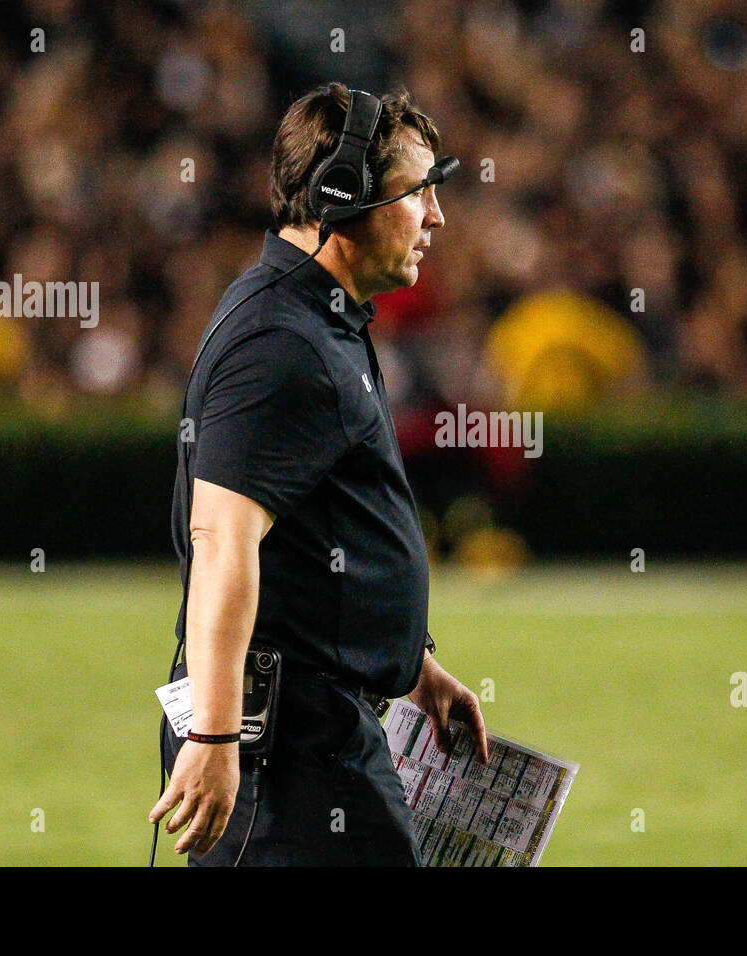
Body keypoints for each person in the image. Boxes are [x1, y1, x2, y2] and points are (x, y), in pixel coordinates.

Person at [148, 82, 489, 866]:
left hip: (315, 731)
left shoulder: (319, 317)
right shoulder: (281, 341)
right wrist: (214, 734)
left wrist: (414, 668)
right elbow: (222, 540)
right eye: (419, 193)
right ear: (344, 198)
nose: (437, 217)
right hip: (285, 748)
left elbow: (319, 531)